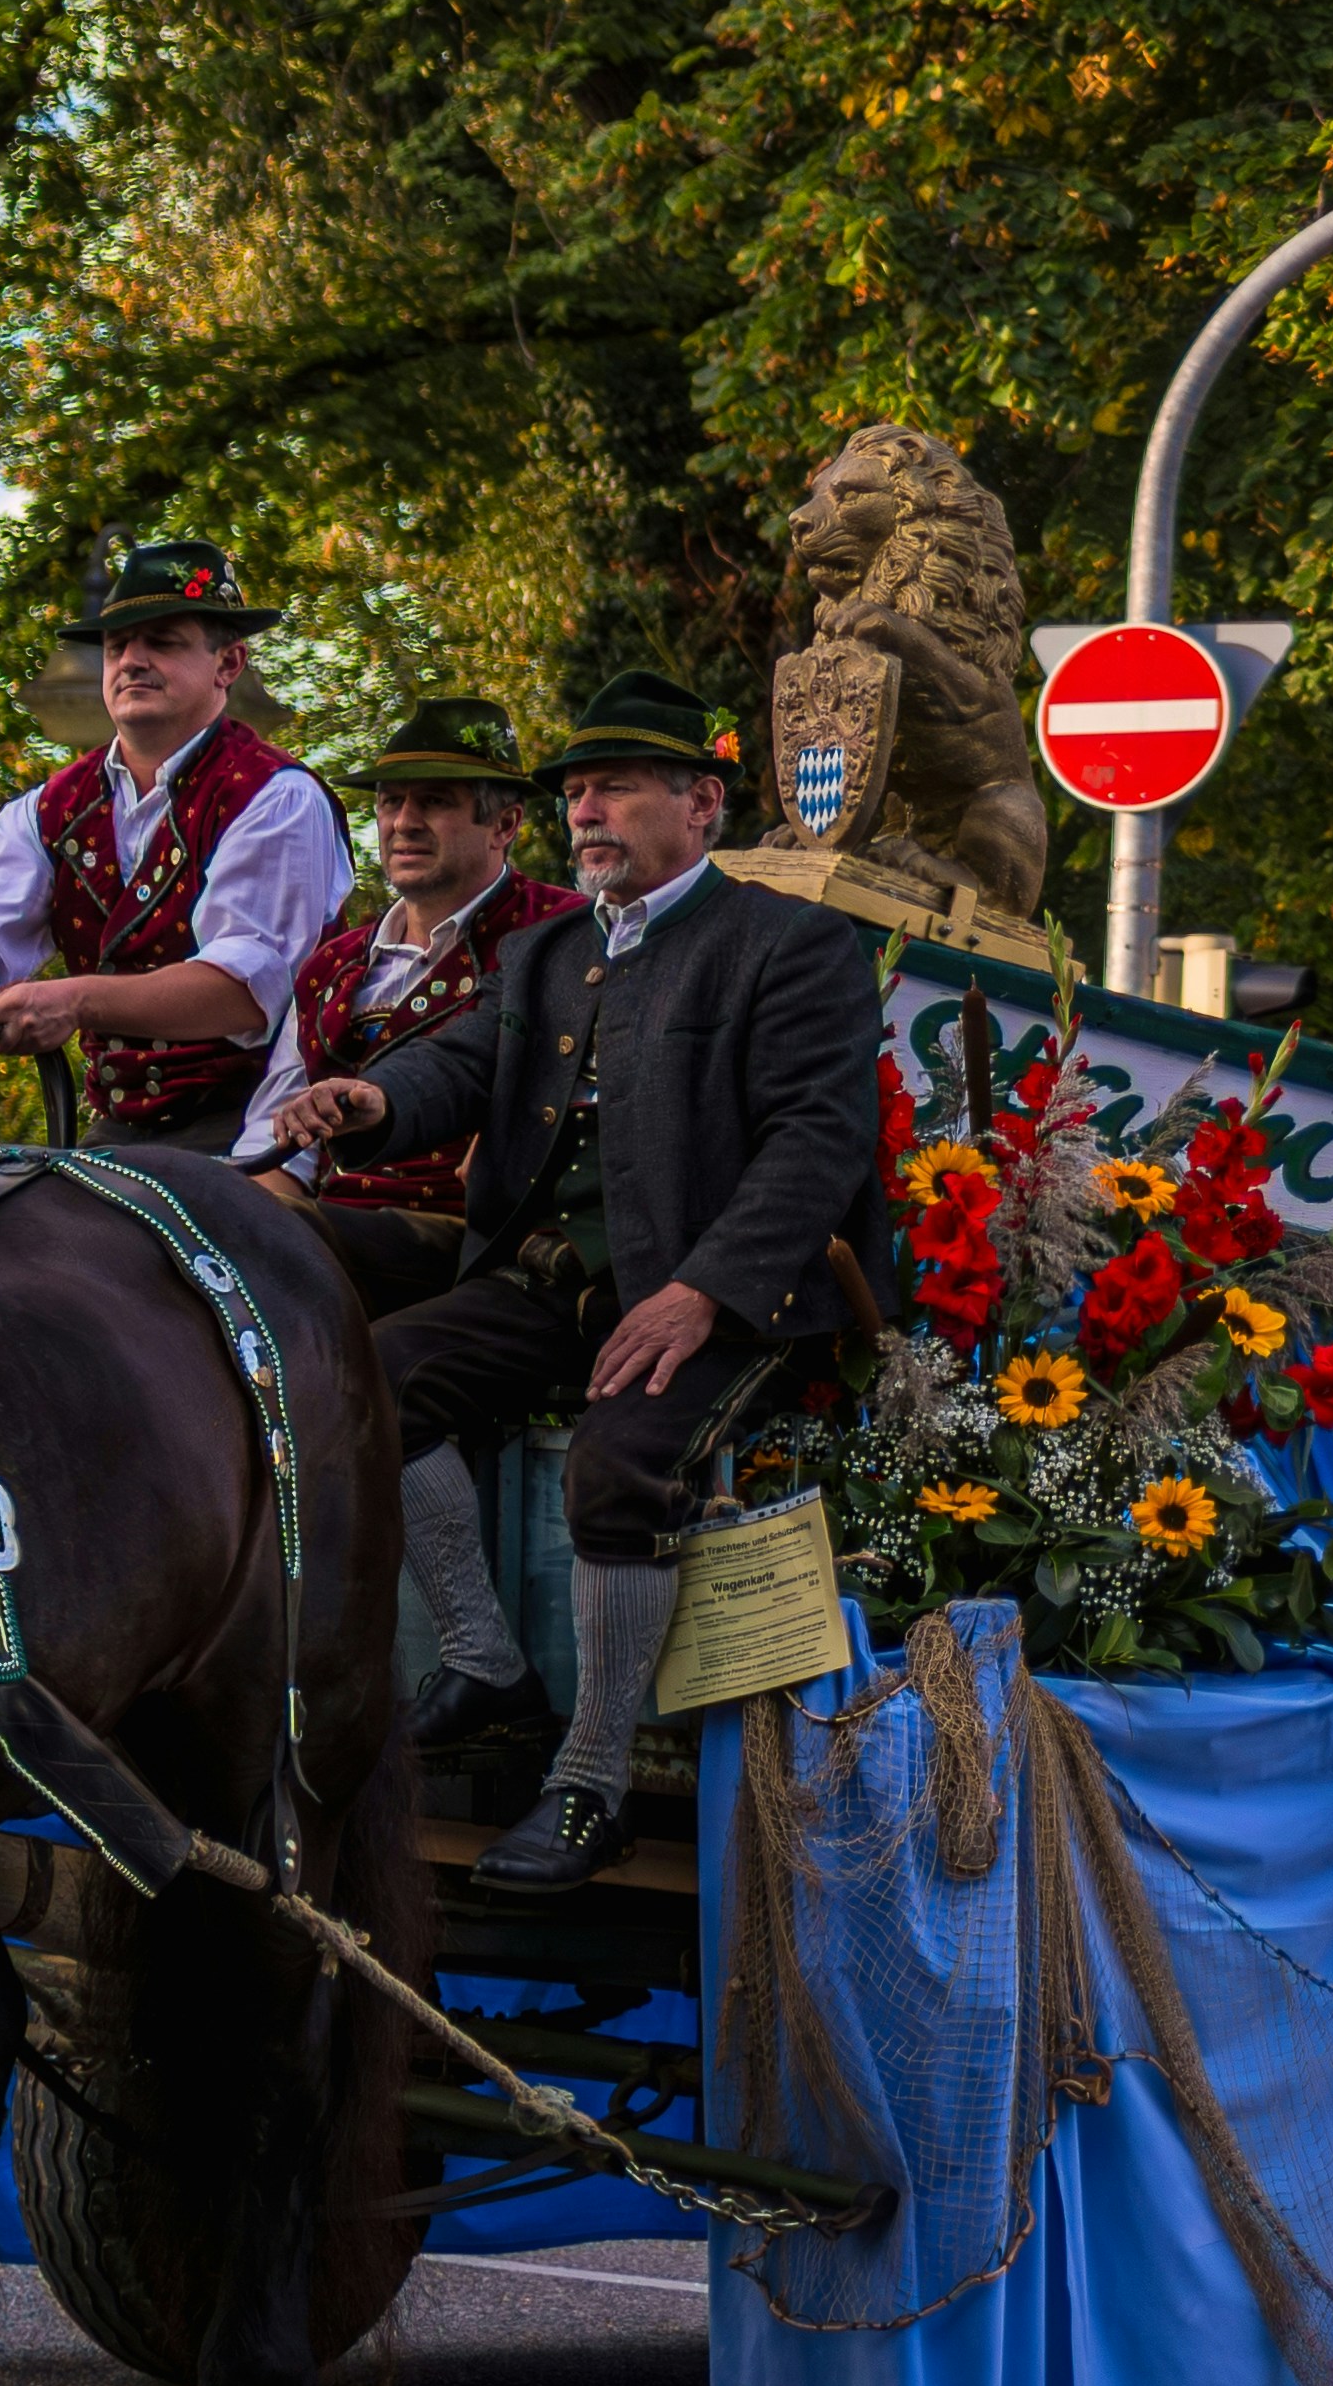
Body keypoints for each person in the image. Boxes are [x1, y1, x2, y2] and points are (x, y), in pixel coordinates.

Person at [275, 661, 890, 1879]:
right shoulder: (552, 951)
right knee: (363, 1381)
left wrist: (703, 1288)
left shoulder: (795, 943)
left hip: (729, 1299)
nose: (587, 811)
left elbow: (821, 1141)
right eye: (577, 793)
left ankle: (593, 1778)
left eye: (615, 787)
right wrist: (371, 1100)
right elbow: (457, 1066)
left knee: (616, 1465)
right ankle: (485, 1663)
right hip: (555, 1281)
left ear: (702, 805)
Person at [246, 689, 592, 1794]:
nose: (402, 823)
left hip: (494, 1231)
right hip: (356, 1231)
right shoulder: (334, 963)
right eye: (391, 802)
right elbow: (283, 1131)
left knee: (281, 1256)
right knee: (215, 1248)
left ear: (505, 824)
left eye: (435, 804)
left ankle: (445, 1661)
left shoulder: (554, 933)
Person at [0, 535, 342, 1142]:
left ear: (228, 664)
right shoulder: (45, 811)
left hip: (266, 1127)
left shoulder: (277, 798)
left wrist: (74, 1001)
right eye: (115, 645)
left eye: (162, 642)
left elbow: (243, 990)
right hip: (122, 1131)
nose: (131, 659)